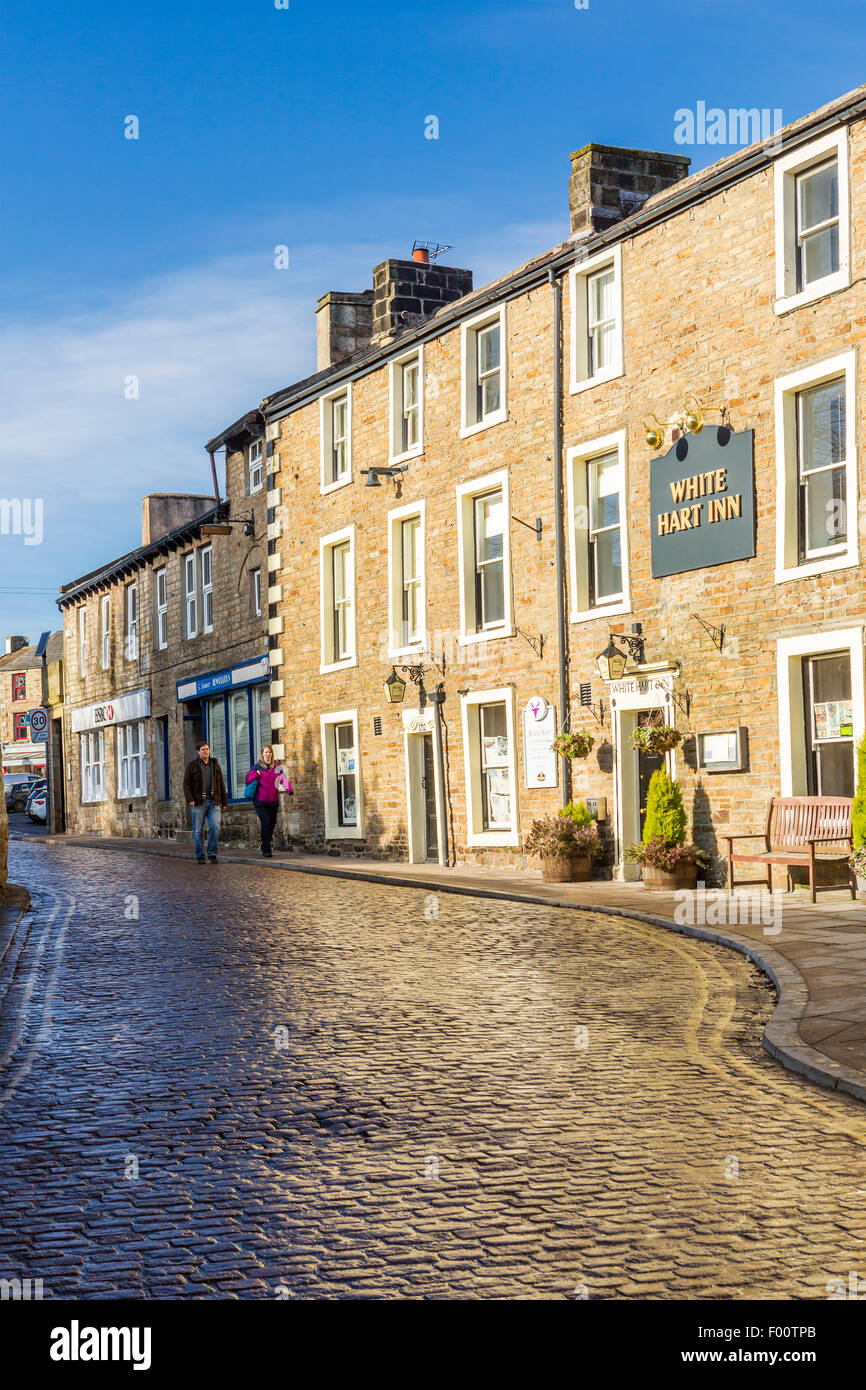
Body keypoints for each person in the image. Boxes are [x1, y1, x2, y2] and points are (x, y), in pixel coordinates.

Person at [183, 739, 228, 864]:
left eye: (207, 749)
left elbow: (221, 783)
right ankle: (199, 855)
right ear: (198, 752)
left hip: (214, 802)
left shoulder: (215, 764)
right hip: (198, 803)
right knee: (198, 830)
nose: (206, 751)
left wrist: (224, 802)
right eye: (203, 749)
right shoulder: (192, 766)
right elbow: (186, 784)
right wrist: (190, 799)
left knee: (215, 826)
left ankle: (212, 853)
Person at [245, 744, 292, 858]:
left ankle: (264, 844)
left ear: (272, 754)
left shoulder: (277, 767)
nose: (268, 754)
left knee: (271, 825)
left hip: (273, 801)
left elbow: (282, 779)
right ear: (262, 754)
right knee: (265, 822)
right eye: (265, 752)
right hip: (260, 802)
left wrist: (289, 790)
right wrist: (256, 775)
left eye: (269, 752)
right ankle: (266, 848)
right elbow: (247, 779)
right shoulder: (257, 767)